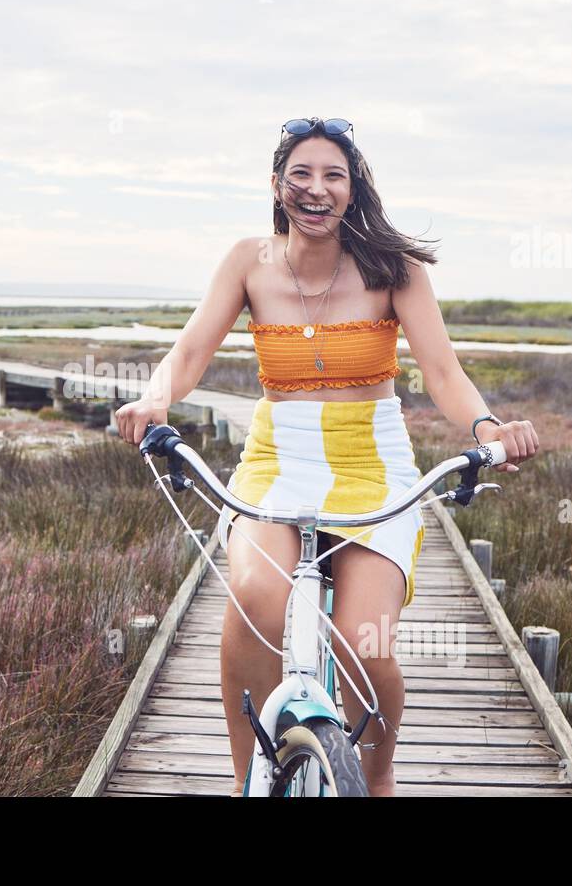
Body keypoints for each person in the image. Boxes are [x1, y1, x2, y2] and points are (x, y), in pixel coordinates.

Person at [114, 116, 540, 797]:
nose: (317, 189)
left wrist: (488, 423)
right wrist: (156, 398)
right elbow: (191, 351)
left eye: (333, 176)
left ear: (353, 188)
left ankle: (373, 776)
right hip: (276, 462)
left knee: (361, 640)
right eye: (302, 174)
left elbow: (442, 372)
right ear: (279, 185)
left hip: (373, 467)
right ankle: (244, 778)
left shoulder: (391, 268)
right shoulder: (247, 261)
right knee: (255, 598)